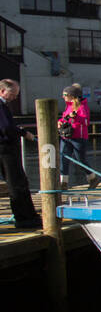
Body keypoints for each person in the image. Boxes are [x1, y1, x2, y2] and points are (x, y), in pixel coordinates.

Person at [0, 79, 41, 229]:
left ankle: (27, 215)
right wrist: (23, 133)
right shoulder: (1, 106)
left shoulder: (4, 106)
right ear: (3, 91)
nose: (15, 98)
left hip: (6, 149)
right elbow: (6, 128)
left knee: (19, 182)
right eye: (13, 94)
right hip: (6, 150)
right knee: (17, 183)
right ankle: (24, 218)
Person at [58, 84, 93, 190]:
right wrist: (60, 122)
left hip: (79, 137)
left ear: (72, 96)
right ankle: (63, 183)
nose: (63, 97)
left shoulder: (82, 106)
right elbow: (65, 118)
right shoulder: (68, 106)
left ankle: (92, 178)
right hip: (67, 136)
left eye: (65, 95)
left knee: (80, 160)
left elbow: (86, 121)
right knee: (64, 158)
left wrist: (76, 117)